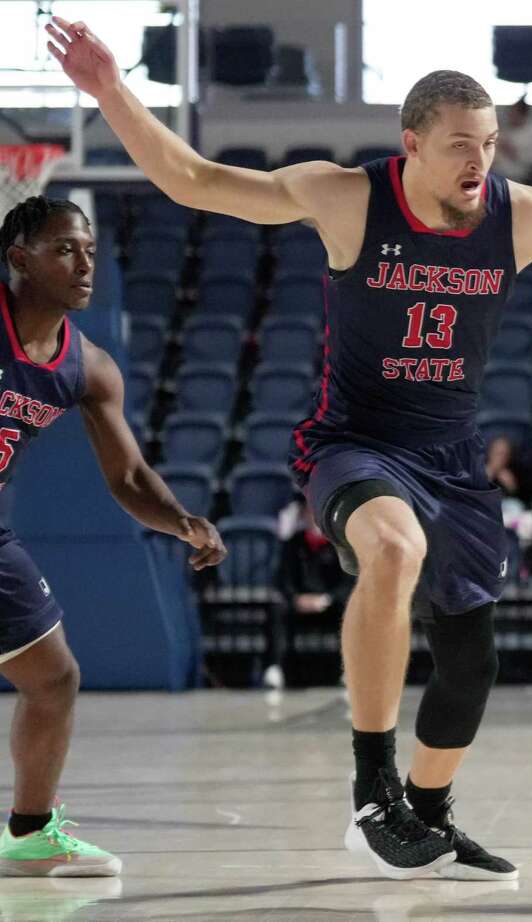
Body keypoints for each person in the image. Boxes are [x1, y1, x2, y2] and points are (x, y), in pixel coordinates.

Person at [49, 17, 532, 882]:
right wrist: (112, 86)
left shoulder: (521, 214)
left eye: (488, 143)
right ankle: (373, 790)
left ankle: (430, 815)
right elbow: (194, 181)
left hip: (451, 457)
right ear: (410, 143)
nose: (478, 161)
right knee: (393, 546)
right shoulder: (347, 196)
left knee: (471, 661)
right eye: (459, 145)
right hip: (353, 445)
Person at [0, 196, 226, 876]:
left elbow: (127, 475)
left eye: (90, 249)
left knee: (54, 677)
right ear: (19, 259)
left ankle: (31, 836)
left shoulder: (87, 366)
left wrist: (182, 521)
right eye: (65, 248)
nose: (84, 262)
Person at [491, 97, 532, 184]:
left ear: (522, 115)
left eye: (514, 113)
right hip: (499, 168)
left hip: (520, 173)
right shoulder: (507, 128)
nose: (510, 116)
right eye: (510, 113)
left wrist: (512, 150)